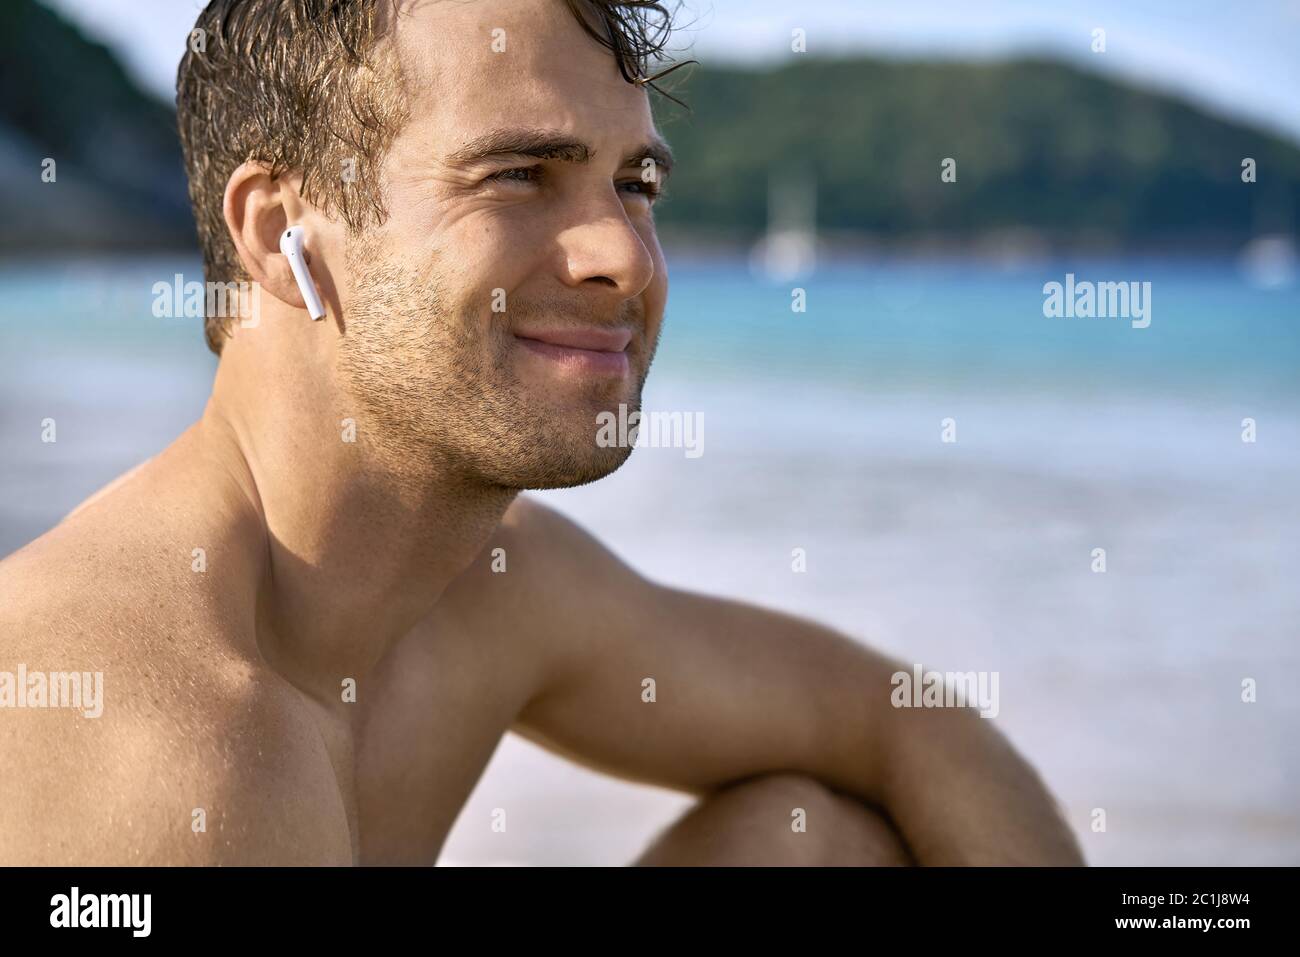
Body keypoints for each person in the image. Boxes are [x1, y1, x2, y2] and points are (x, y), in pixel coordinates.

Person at [0, 0, 1082, 866]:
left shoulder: (491, 586)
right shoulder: (156, 750)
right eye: (519, 173)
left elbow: (899, 721)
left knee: (808, 842)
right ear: (283, 235)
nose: (626, 255)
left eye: (635, 182)